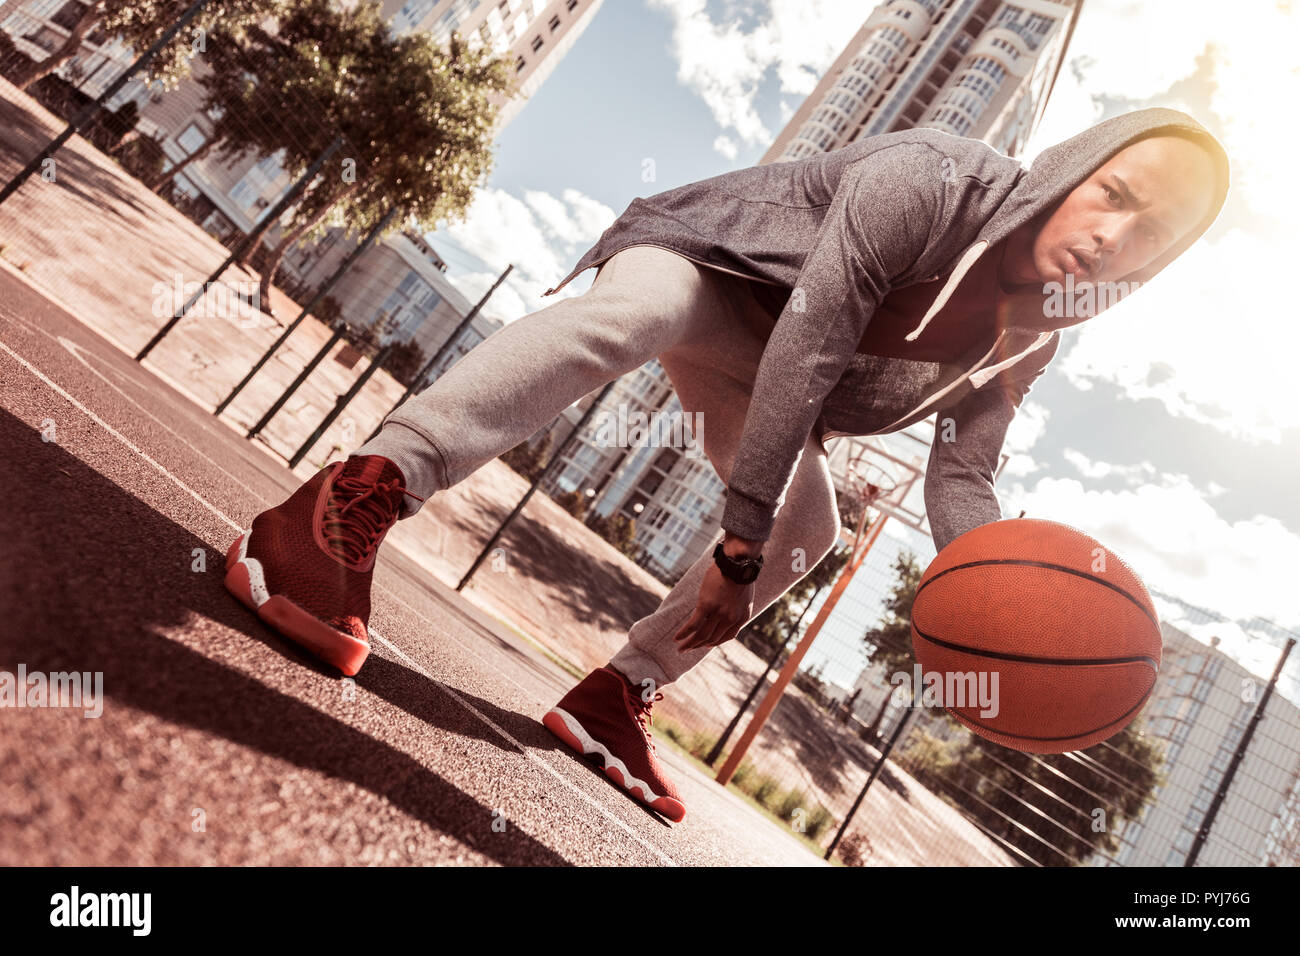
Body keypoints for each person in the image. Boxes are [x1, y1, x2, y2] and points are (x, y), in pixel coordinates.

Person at [223, 107, 1228, 823]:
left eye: (1150, 237)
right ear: (1070, 167)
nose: (1111, 239)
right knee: (632, 313)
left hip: (768, 363)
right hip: (711, 267)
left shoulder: (1027, 339)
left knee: (812, 529)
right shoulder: (932, 178)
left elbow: (963, 477)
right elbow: (816, 331)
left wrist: (1000, 606)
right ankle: (351, 495)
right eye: (1113, 194)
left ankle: (618, 693)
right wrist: (734, 545)